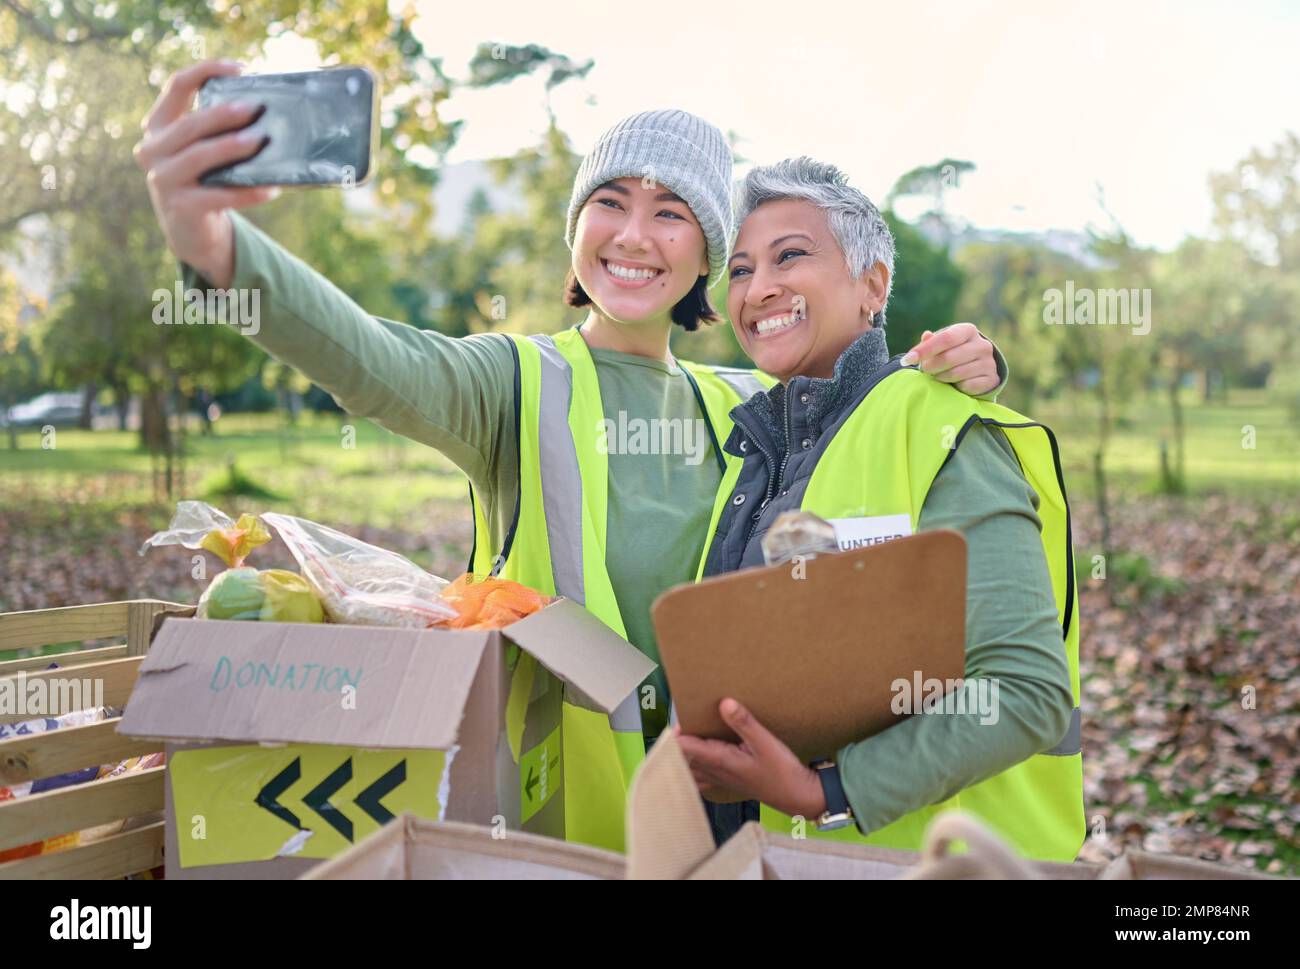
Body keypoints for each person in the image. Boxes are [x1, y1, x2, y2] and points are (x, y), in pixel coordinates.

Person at [134, 60, 1008, 852]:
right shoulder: (513, 383)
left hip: (744, 831)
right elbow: (368, 358)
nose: (633, 235)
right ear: (576, 227)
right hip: (558, 836)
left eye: (671, 213)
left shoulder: (750, 404)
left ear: (708, 253)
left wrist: (961, 364)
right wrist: (215, 251)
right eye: (609, 202)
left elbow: (880, 414)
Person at [676, 158, 1084, 862]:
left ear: (873, 286)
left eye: (791, 255)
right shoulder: (756, 455)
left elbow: (1026, 691)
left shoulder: (936, 421)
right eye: (739, 270)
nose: (760, 286)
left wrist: (825, 791)